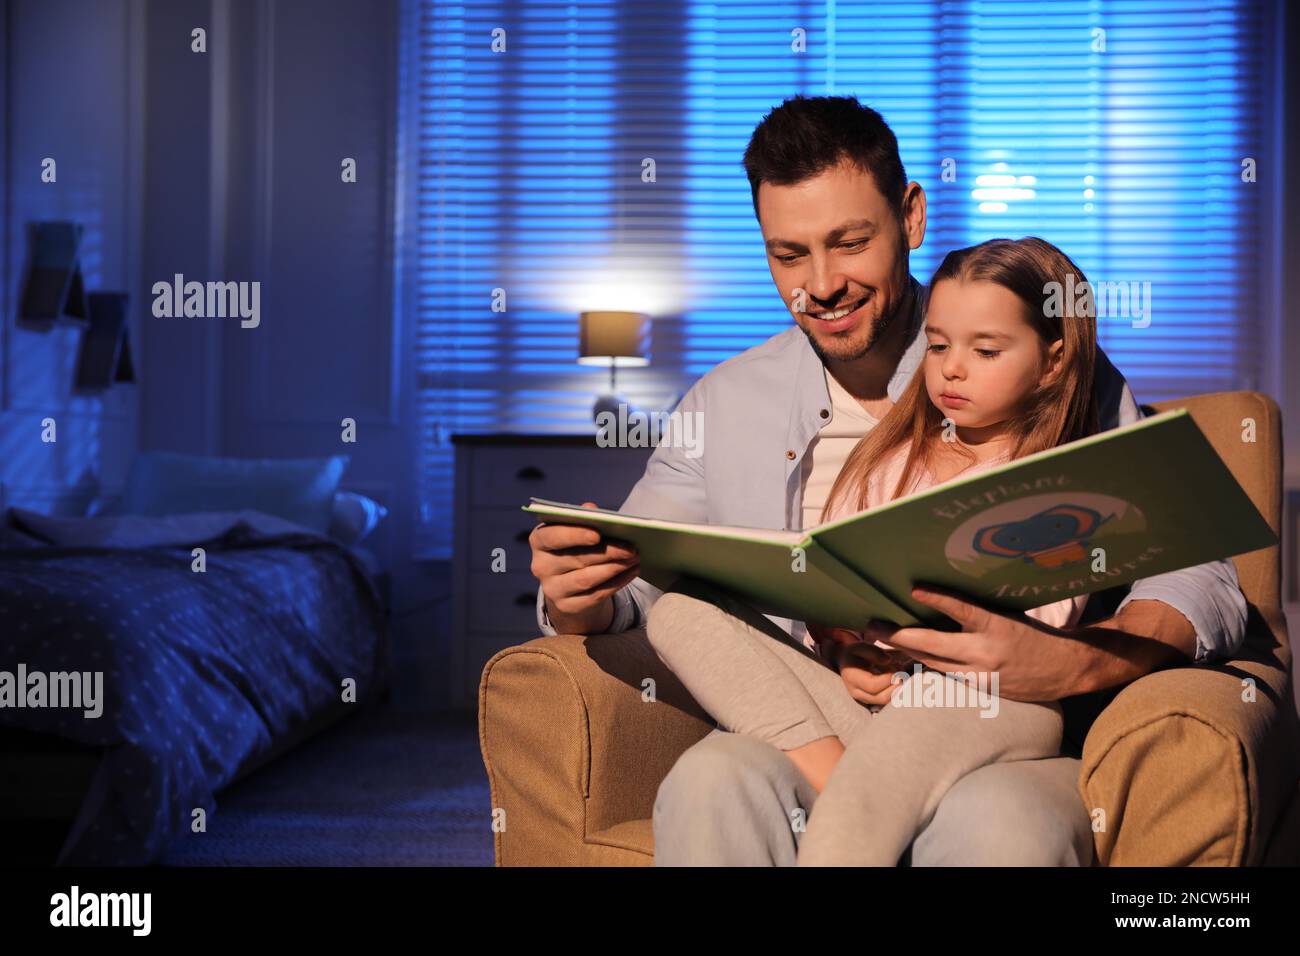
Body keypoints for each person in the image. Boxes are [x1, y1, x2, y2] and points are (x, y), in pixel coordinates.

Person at [527, 95, 1248, 866]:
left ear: (911, 217)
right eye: (789, 254)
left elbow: (1193, 565)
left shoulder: (1022, 364)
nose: (822, 284)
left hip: (1003, 726)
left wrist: (1075, 663)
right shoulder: (725, 400)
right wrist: (584, 594)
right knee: (710, 778)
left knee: (1001, 823)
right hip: (826, 717)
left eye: (849, 242)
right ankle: (857, 796)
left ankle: (862, 821)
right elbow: (646, 581)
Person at [646, 235, 1124, 866]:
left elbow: (1045, 624)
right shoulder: (889, 461)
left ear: (1054, 360)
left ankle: (846, 833)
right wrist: (845, 645)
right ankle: (841, 776)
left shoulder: (1062, 484)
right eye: (938, 345)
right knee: (677, 611)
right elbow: (839, 581)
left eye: (985, 350)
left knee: (934, 706)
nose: (952, 368)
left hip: (990, 702)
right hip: (866, 707)